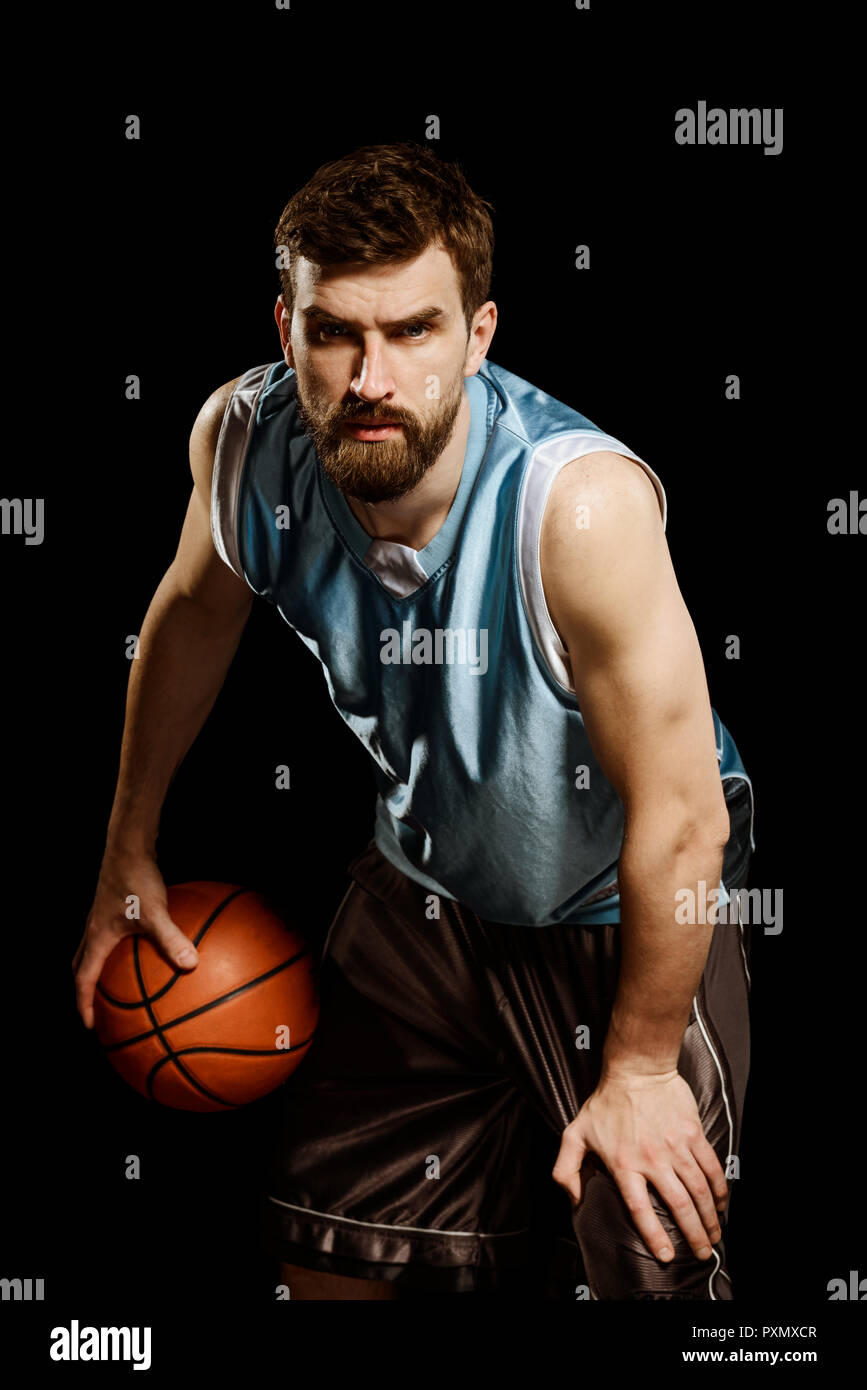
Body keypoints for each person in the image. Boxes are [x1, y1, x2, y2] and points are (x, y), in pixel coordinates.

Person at [73, 141, 755, 1300]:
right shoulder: (244, 442)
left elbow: (686, 821)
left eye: (415, 332)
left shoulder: (575, 508)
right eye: (333, 331)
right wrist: (125, 847)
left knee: (652, 1259)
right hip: (423, 888)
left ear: (480, 336)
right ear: (284, 329)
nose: (369, 375)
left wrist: (640, 1064)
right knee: (331, 1244)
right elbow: (188, 618)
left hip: (612, 898)